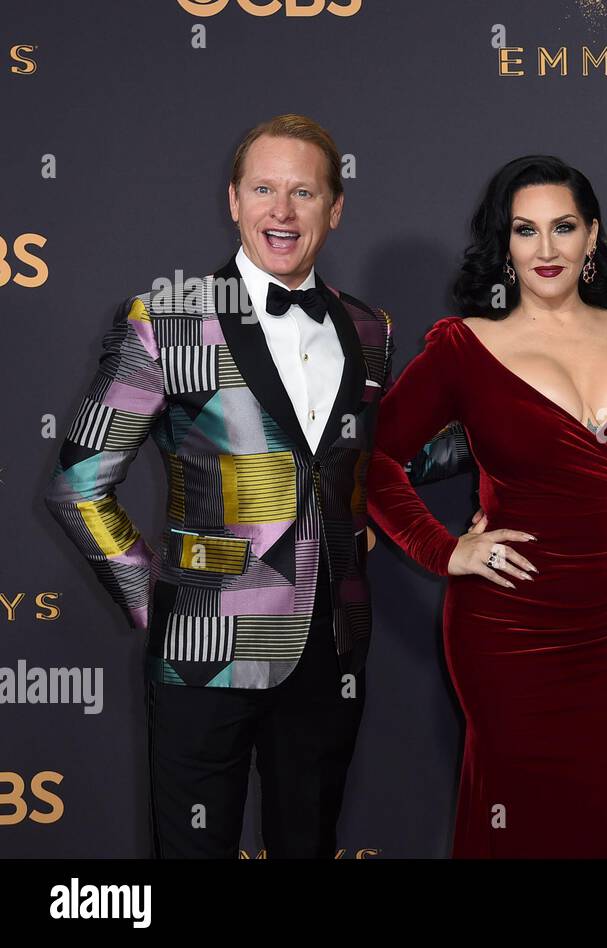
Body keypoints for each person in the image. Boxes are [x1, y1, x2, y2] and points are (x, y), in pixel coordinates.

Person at [43, 114, 393, 857]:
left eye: (304, 191)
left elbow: (371, 462)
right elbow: (79, 483)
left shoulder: (370, 330)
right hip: (204, 651)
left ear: (336, 209)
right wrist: (156, 601)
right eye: (264, 188)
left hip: (331, 651)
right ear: (233, 201)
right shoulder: (167, 320)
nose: (282, 210)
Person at [366, 155, 607, 858]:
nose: (546, 249)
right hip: (511, 629)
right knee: (514, 819)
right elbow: (372, 460)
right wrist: (444, 548)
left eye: (563, 228)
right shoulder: (465, 347)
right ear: (504, 244)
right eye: (525, 231)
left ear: (594, 236)